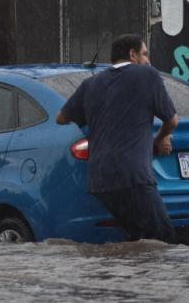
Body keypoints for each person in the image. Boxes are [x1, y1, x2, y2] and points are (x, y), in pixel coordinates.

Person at [56, 34, 178, 243]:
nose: (148, 60)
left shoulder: (91, 84)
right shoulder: (147, 75)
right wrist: (159, 140)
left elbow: (61, 118)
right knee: (164, 241)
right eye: (145, 54)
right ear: (133, 55)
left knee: (137, 240)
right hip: (134, 177)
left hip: (101, 181)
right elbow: (172, 120)